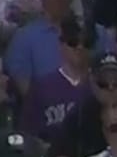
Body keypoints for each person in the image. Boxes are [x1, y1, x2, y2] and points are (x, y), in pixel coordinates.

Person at [18, 15, 91, 145]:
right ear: (61, 45)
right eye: (73, 42)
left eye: (86, 43)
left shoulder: (103, 85)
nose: (80, 47)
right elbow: (28, 134)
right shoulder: (41, 88)